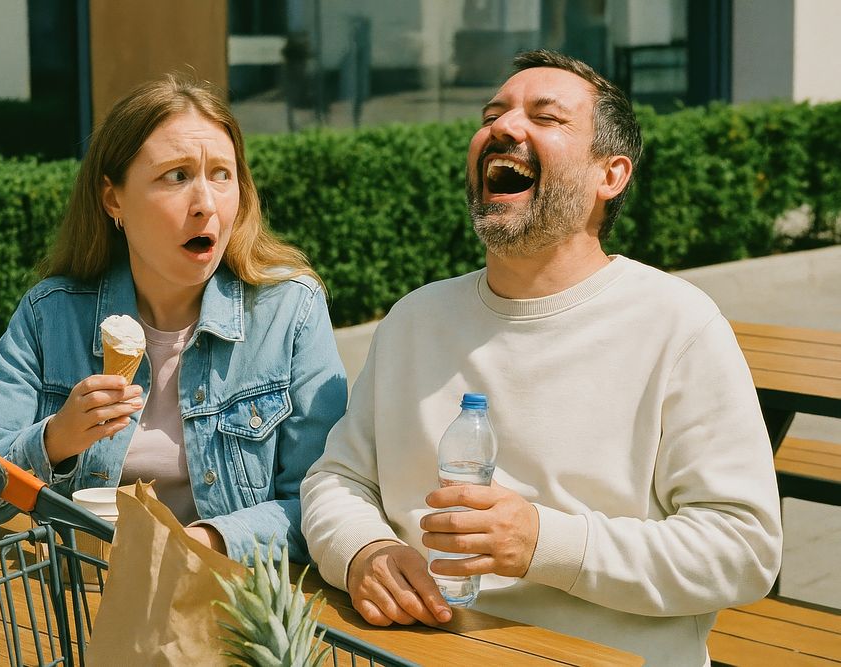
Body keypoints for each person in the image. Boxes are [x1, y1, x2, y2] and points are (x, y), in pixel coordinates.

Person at [300, 50, 782, 664]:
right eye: (492, 113)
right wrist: (364, 550)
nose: (503, 127)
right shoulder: (414, 320)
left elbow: (743, 552)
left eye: (546, 117)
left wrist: (542, 543)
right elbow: (337, 478)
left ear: (611, 175)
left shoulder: (679, 325)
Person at [0, 74, 347, 564]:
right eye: (175, 176)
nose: (206, 204)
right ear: (114, 199)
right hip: (81, 600)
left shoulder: (288, 312)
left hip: (225, 599)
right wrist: (55, 440)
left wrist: (203, 543)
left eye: (221, 174)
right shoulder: (51, 316)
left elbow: (325, 501)